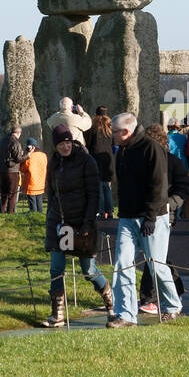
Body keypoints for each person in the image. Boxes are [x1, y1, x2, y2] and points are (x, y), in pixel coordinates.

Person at [108, 113, 182, 327]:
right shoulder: (122, 151)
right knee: (122, 264)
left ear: (125, 132)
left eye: (114, 131)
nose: (111, 135)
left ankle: (172, 306)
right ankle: (126, 314)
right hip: (128, 217)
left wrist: (150, 217)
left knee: (155, 265)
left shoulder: (152, 149)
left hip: (153, 217)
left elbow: (158, 186)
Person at [40, 124, 111, 327]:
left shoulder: (86, 161)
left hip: (82, 223)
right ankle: (57, 314)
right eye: (61, 143)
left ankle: (109, 300)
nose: (65, 146)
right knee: (56, 268)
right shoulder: (53, 162)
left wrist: (88, 222)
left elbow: (94, 194)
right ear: (55, 145)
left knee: (88, 270)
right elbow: (51, 193)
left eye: (68, 142)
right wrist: (50, 222)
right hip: (59, 222)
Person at [138, 124, 189, 310]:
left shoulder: (173, 162)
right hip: (146, 213)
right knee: (157, 256)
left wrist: (169, 205)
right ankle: (175, 290)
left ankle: (150, 298)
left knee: (153, 257)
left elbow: (183, 188)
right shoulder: (143, 162)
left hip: (165, 213)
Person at [89, 112, 115, 218]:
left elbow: (89, 143)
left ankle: (100, 210)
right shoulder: (110, 130)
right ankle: (109, 211)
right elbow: (114, 144)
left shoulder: (93, 129)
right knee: (107, 186)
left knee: (99, 185)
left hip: (96, 159)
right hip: (108, 159)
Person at [0, 125, 24, 213]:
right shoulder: (16, 142)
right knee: (12, 194)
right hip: (12, 171)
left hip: (2, 171)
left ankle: (1, 211)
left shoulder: (2, 141)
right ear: (18, 133)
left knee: (3, 194)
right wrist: (27, 156)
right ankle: (10, 212)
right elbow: (18, 159)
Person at [20, 138, 47, 213]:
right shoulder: (44, 155)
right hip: (41, 183)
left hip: (31, 183)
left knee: (32, 203)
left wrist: (23, 157)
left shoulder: (30, 156)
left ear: (32, 147)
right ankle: (40, 215)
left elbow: (22, 169)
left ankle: (33, 216)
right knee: (39, 201)